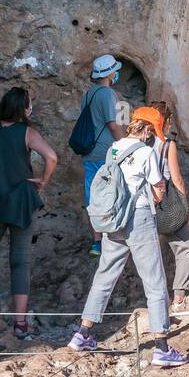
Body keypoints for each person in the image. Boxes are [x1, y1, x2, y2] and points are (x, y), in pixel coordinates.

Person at [68, 117, 189, 368]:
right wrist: (158, 201)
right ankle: (161, 347)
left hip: (114, 220)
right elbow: (158, 186)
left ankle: (83, 334)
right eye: (151, 134)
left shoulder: (114, 148)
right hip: (139, 217)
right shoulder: (146, 152)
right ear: (146, 133)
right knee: (154, 281)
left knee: (105, 276)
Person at [0, 87, 58, 340]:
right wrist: (43, 181)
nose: (31, 108)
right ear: (23, 109)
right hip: (21, 201)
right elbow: (51, 156)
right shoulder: (27, 132)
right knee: (21, 261)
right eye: (30, 104)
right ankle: (20, 324)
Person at [132, 103, 189, 317]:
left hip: (139, 204)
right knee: (186, 248)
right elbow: (176, 178)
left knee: (150, 255)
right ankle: (179, 300)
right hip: (164, 202)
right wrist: (184, 207)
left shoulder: (131, 143)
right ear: (166, 121)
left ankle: (157, 302)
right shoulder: (167, 144)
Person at [77, 54, 126, 257]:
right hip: (105, 152)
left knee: (93, 195)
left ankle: (97, 242)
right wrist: (125, 144)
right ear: (111, 73)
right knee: (112, 193)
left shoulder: (87, 94)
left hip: (88, 152)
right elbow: (113, 124)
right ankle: (113, 238)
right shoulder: (107, 94)